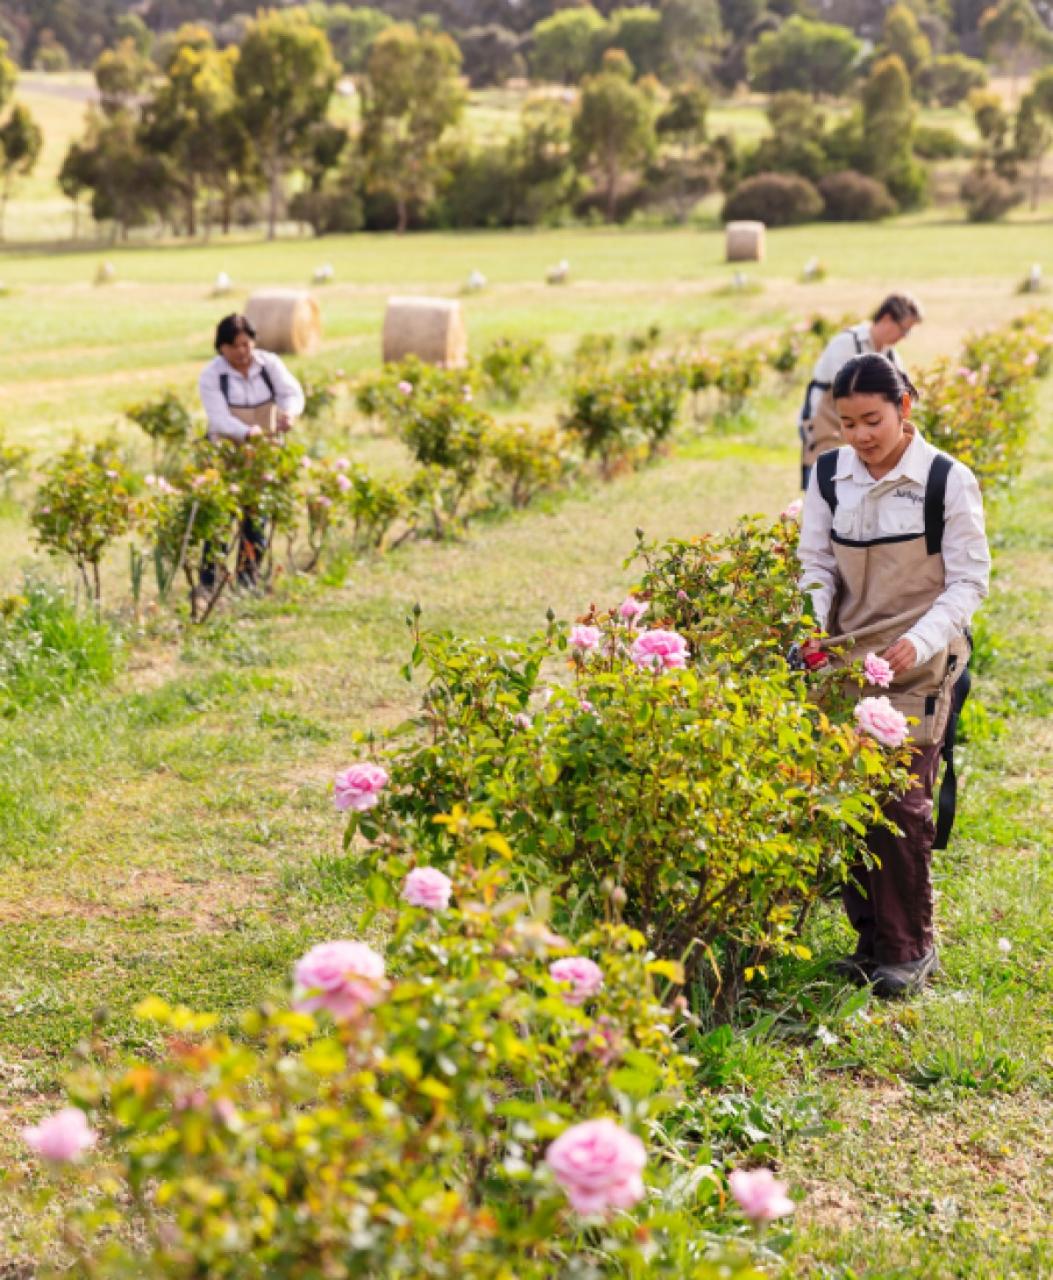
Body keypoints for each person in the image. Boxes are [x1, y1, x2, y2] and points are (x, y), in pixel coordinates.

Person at [797, 353, 990, 998]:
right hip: (848, 658)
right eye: (848, 423)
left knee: (902, 804)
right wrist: (811, 623)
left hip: (921, 659)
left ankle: (910, 949)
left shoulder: (945, 479)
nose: (859, 436)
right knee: (848, 802)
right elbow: (816, 564)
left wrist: (919, 640)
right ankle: (871, 941)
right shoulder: (830, 476)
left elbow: (969, 581)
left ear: (904, 408)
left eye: (872, 421)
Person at [198, 314, 305, 590]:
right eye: (234, 346)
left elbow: (291, 393)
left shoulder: (269, 365)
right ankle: (210, 583)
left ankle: (248, 580)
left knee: (256, 517)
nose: (242, 352)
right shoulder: (213, 375)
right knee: (221, 516)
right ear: (221, 347)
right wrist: (248, 433)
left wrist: (289, 414)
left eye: (246, 344)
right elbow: (219, 418)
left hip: (262, 455)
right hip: (226, 454)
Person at [798, 293, 923, 491]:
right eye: (904, 330)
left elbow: (905, 391)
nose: (903, 337)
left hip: (856, 426)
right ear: (887, 319)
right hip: (825, 423)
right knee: (825, 485)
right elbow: (845, 392)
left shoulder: (891, 355)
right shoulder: (847, 343)